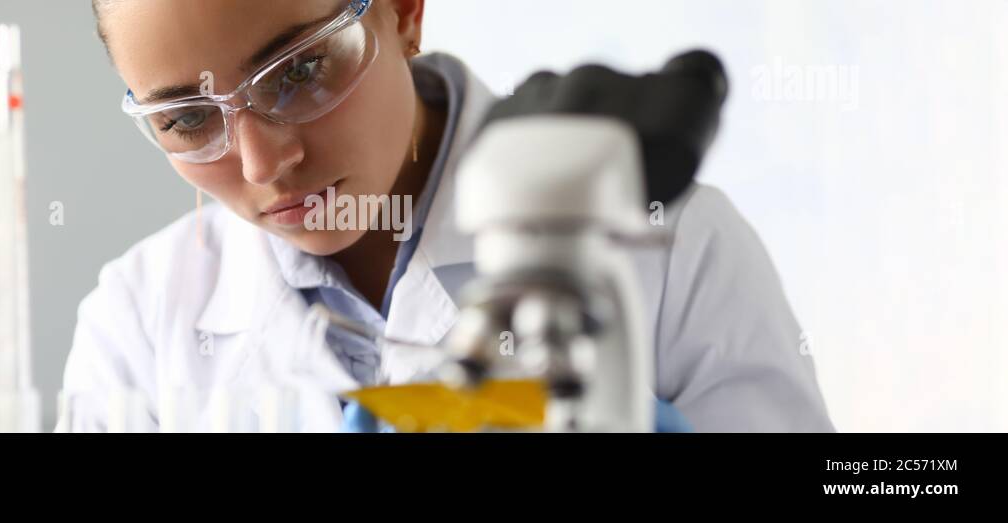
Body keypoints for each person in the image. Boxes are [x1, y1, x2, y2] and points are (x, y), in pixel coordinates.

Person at [60, 0, 835, 432]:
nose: (263, 164)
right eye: (189, 120)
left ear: (402, 11)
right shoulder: (136, 325)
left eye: (298, 70)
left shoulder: (669, 240)